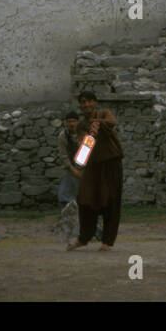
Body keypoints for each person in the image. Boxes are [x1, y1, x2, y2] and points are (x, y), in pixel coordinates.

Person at [69, 90, 124, 252]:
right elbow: (83, 153)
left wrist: (98, 123)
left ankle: (107, 241)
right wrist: (90, 135)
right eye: (83, 102)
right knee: (85, 199)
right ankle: (84, 237)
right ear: (80, 105)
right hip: (93, 166)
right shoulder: (81, 126)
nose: (87, 105)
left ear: (95, 103)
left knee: (111, 200)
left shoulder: (104, 113)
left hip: (111, 162)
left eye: (89, 101)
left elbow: (112, 122)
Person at [56, 111, 81, 246]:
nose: (71, 124)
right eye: (69, 121)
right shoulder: (63, 136)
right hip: (69, 171)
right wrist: (72, 170)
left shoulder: (85, 134)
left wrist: (82, 170)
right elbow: (63, 155)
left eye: (74, 121)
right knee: (66, 199)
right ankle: (68, 228)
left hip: (84, 171)